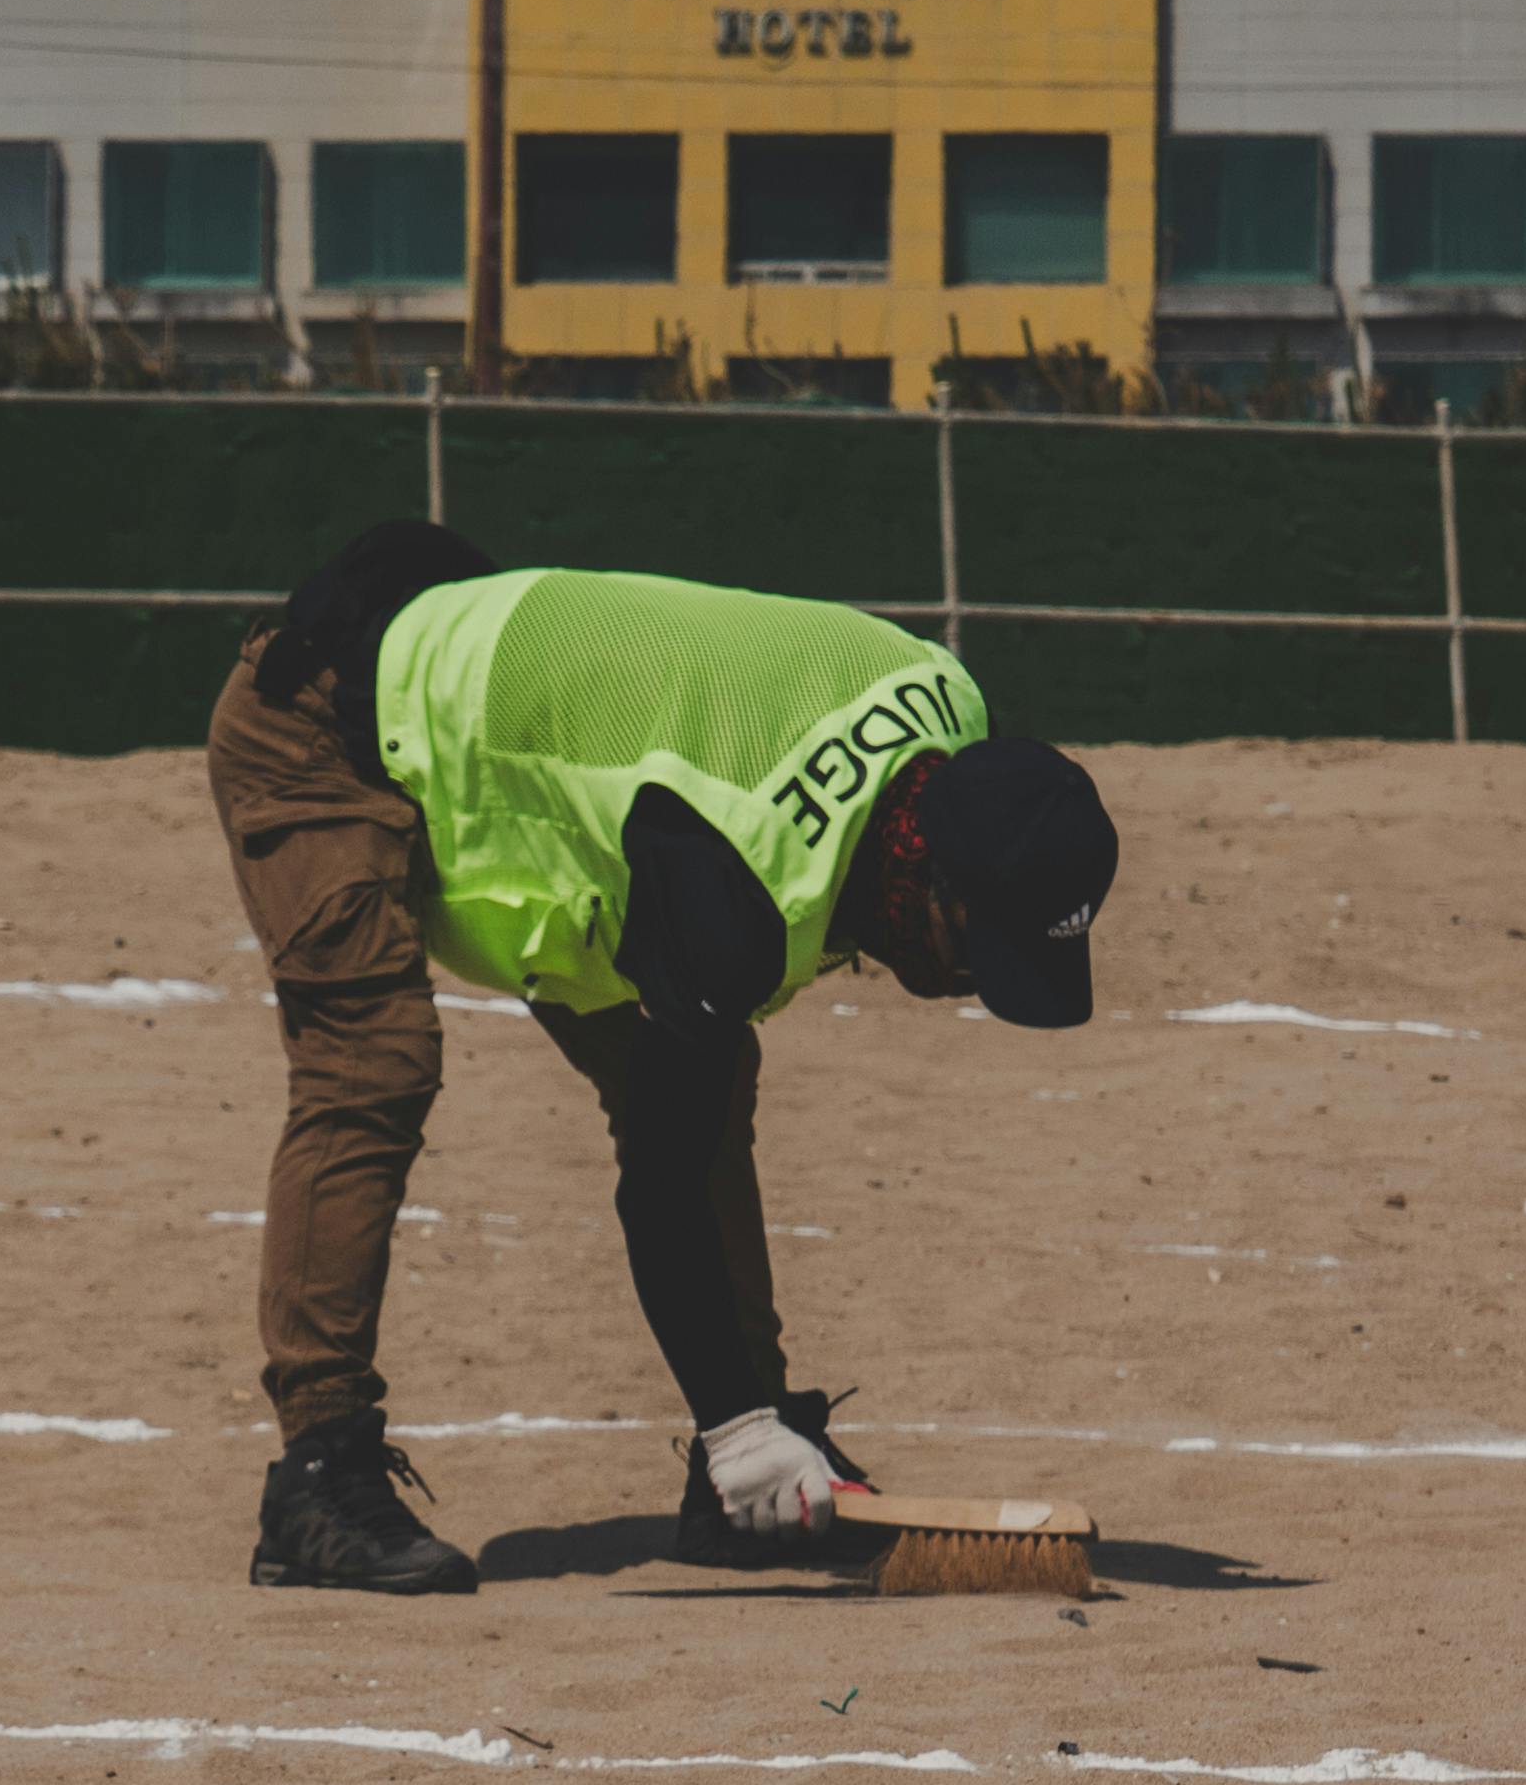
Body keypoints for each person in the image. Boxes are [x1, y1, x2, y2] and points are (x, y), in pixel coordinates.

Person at [210, 524, 1115, 1593]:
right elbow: (663, 1184)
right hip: (332, 725)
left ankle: (741, 1467)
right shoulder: (737, 884)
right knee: (374, 1066)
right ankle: (318, 1471)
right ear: (926, 879)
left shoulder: (952, 711)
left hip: (539, 732)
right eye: (977, 953)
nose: (969, 985)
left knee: (706, 1071)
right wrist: (739, 1426)